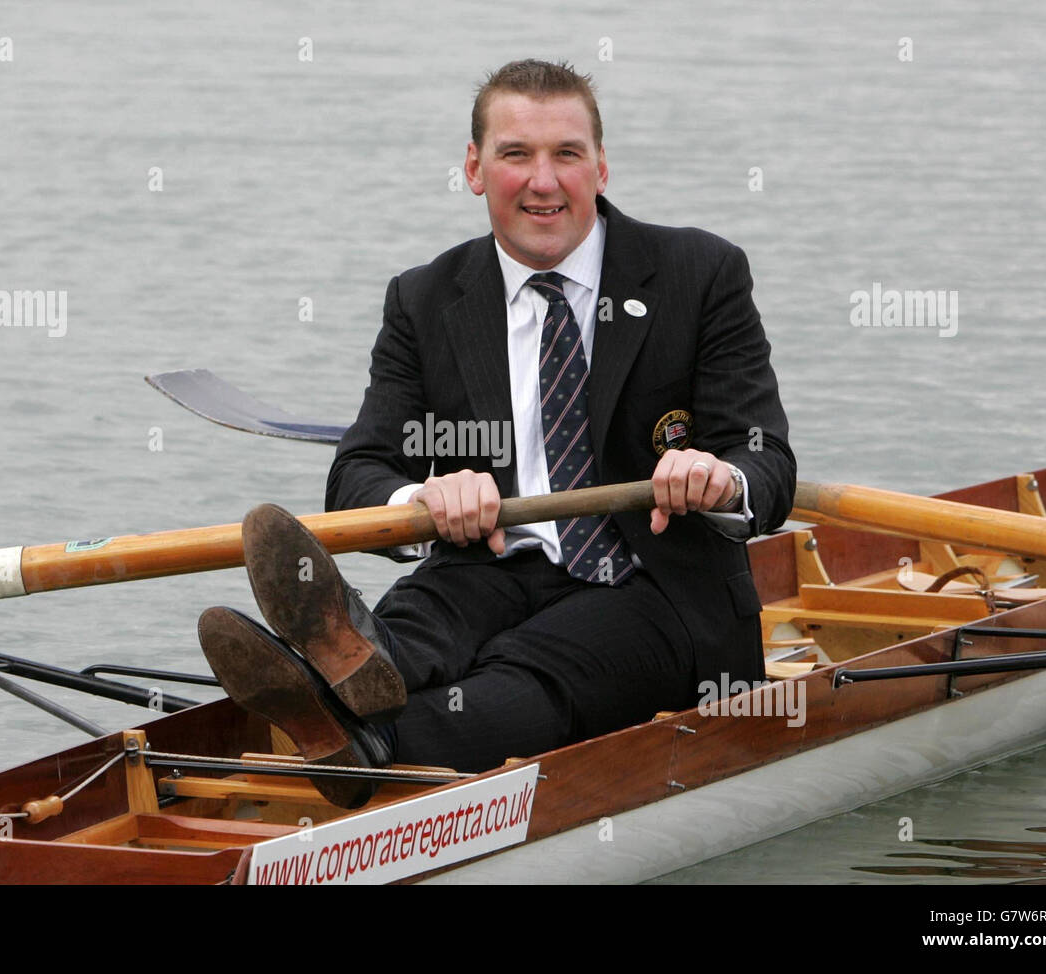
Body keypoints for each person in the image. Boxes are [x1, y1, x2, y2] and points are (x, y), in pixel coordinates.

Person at [198, 59, 795, 808]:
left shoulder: (697, 273)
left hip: (655, 588)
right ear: (475, 170)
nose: (543, 181)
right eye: (516, 155)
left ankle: (362, 736)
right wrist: (423, 494)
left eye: (566, 155)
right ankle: (348, 673)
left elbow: (768, 460)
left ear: (601, 167)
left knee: (526, 667)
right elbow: (359, 473)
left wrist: (720, 477)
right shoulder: (425, 300)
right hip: (488, 566)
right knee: (416, 623)